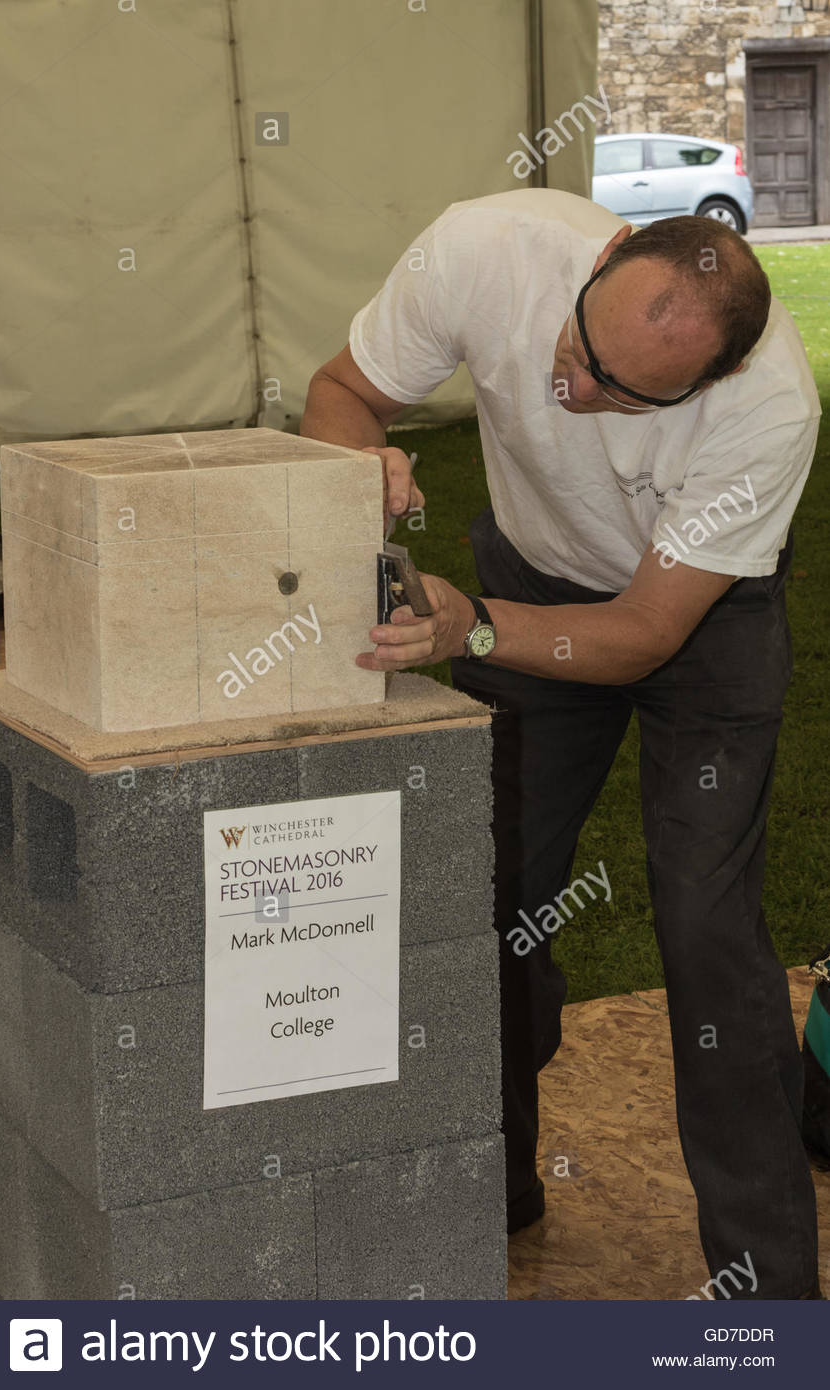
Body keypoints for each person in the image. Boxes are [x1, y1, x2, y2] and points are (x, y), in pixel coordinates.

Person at [300, 188, 822, 1300]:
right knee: (486, 894)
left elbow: (639, 635)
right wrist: (357, 466)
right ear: (611, 250)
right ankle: (493, 1188)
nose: (574, 388)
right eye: (581, 348)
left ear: (712, 379)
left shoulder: (769, 404)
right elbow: (342, 392)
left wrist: (469, 627)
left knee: (703, 926)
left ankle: (767, 1297)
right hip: (532, 575)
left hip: (694, 623)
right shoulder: (483, 247)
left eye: (625, 393)